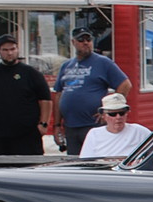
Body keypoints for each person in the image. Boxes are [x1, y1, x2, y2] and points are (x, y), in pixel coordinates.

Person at [0, 33, 52, 156]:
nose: (9, 53)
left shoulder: (31, 74)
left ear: (17, 49)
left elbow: (46, 100)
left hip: (26, 135)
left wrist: (43, 124)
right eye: (5, 50)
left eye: (12, 49)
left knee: (28, 171)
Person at [52, 28, 131, 156]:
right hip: (70, 126)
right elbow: (59, 95)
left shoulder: (103, 62)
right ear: (73, 42)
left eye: (88, 39)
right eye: (81, 40)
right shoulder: (66, 66)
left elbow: (125, 85)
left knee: (95, 163)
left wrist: (110, 109)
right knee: (74, 164)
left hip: (93, 125)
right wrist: (56, 125)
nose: (85, 42)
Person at [78, 93, 151, 159]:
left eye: (122, 113)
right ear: (104, 116)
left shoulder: (139, 131)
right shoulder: (94, 134)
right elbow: (86, 160)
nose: (118, 117)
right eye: (112, 114)